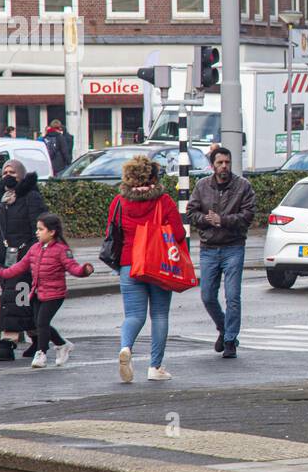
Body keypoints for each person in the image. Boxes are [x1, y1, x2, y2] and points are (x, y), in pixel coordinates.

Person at [107, 155, 185, 383]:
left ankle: (125, 348)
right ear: (153, 176)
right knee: (159, 315)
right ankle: (155, 367)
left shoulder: (119, 202)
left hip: (129, 264)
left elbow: (112, 234)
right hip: (158, 265)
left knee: (133, 315)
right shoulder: (164, 201)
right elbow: (179, 234)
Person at [0, 213, 93, 369]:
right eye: (37, 229)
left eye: (41, 229)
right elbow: (19, 267)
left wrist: (84, 271)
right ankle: (62, 345)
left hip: (55, 295)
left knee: (42, 322)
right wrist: (1, 271)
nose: (37, 232)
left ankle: (41, 353)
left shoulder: (62, 250)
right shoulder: (34, 249)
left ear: (52, 232)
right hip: (37, 293)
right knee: (39, 323)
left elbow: (72, 267)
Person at [186, 146, 256, 359]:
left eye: (227, 162)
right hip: (209, 248)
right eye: (219, 163)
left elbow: (248, 215)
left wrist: (223, 220)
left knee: (233, 296)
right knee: (207, 295)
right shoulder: (202, 186)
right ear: (212, 165)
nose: (224, 166)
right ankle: (223, 327)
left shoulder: (243, 186)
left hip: (233, 247)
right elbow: (190, 212)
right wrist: (205, 220)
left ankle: (230, 341)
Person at [0, 159, 47, 361]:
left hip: (24, 259)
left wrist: (30, 254)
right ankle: (37, 338)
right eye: (4, 172)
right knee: (21, 302)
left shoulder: (31, 197)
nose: (8, 175)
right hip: (4, 259)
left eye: (12, 171)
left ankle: (7, 343)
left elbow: (39, 229)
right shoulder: (1, 200)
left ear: (21, 174)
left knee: (13, 301)